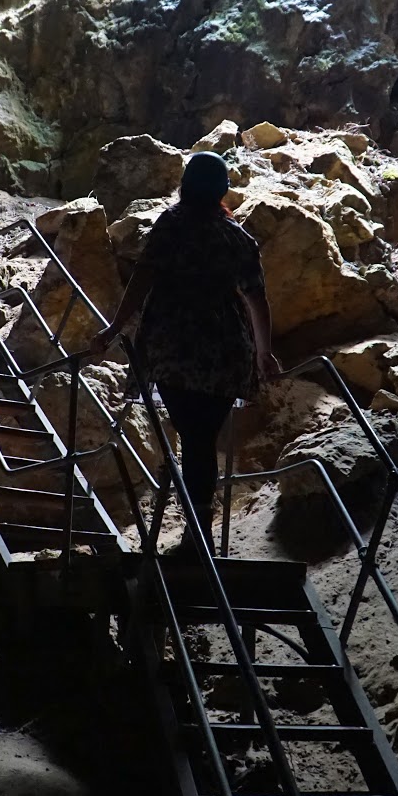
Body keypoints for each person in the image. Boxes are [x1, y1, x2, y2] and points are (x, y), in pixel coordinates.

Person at [90, 151, 279, 558]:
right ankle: (199, 533)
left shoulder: (172, 226)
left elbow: (142, 279)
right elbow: (257, 300)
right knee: (201, 439)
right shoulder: (238, 239)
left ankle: (198, 537)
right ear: (222, 191)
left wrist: (113, 328)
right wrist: (264, 354)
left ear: (185, 185)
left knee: (194, 440)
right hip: (226, 353)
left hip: (175, 348)